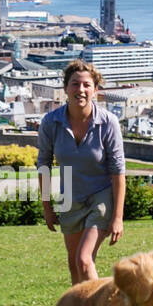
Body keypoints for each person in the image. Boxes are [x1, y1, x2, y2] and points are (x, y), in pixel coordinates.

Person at [37, 60, 126, 285]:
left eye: (87, 85)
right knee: (75, 266)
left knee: (84, 260)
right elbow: (44, 166)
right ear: (66, 88)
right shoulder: (51, 122)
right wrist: (47, 208)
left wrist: (117, 217)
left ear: (96, 90)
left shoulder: (108, 123)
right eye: (75, 84)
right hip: (70, 199)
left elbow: (118, 172)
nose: (81, 90)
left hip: (101, 198)